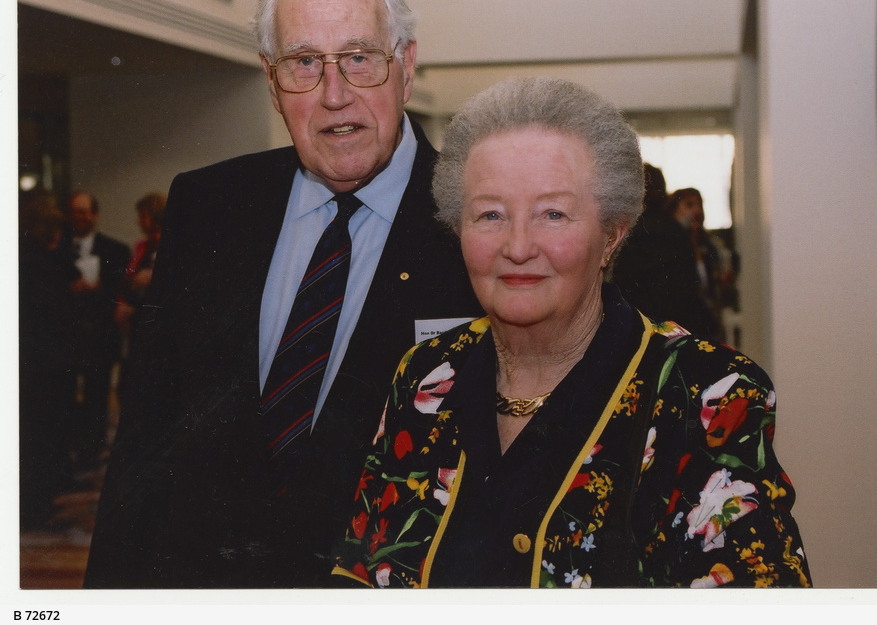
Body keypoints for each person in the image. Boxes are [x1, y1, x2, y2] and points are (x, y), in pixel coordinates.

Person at [85, 0, 481, 588]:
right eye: (304, 63)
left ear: (405, 65)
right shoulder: (208, 206)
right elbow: (146, 444)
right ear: (271, 80)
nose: (334, 95)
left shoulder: (476, 222)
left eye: (359, 58)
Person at [331, 77, 810, 588]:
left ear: (611, 235)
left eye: (553, 214)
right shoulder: (426, 375)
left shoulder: (708, 394)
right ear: (458, 228)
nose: (517, 246)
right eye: (490, 214)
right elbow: (358, 581)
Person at [57, 192, 130, 472]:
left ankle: (92, 450)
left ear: (95, 215)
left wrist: (100, 291)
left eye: (86, 211)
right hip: (66, 337)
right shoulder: (56, 248)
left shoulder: (115, 249)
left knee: (97, 394)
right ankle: (68, 451)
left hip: (101, 336)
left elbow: (118, 293)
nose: (81, 217)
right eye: (76, 211)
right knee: (65, 394)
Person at [19, 190, 78, 529]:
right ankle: (35, 505)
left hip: (26, 361)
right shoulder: (42, 268)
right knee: (41, 435)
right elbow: (59, 319)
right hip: (45, 365)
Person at [612, 163, 718, 335]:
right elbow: (689, 286)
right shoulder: (674, 230)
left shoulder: (624, 232)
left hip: (635, 327)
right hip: (677, 328)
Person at [668, 187, 737, 342]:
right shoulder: (670, 247)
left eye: (699, 205)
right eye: (689, 205)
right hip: (682, 326)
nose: (697, 210)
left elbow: (725, 277)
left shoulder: (712, 245)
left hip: (711, 324)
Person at [113, 193, 166, 341]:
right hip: (138, 320)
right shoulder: (142, 247)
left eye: (143, 216)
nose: (139, 221)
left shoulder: (173, 245)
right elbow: (126, 281)